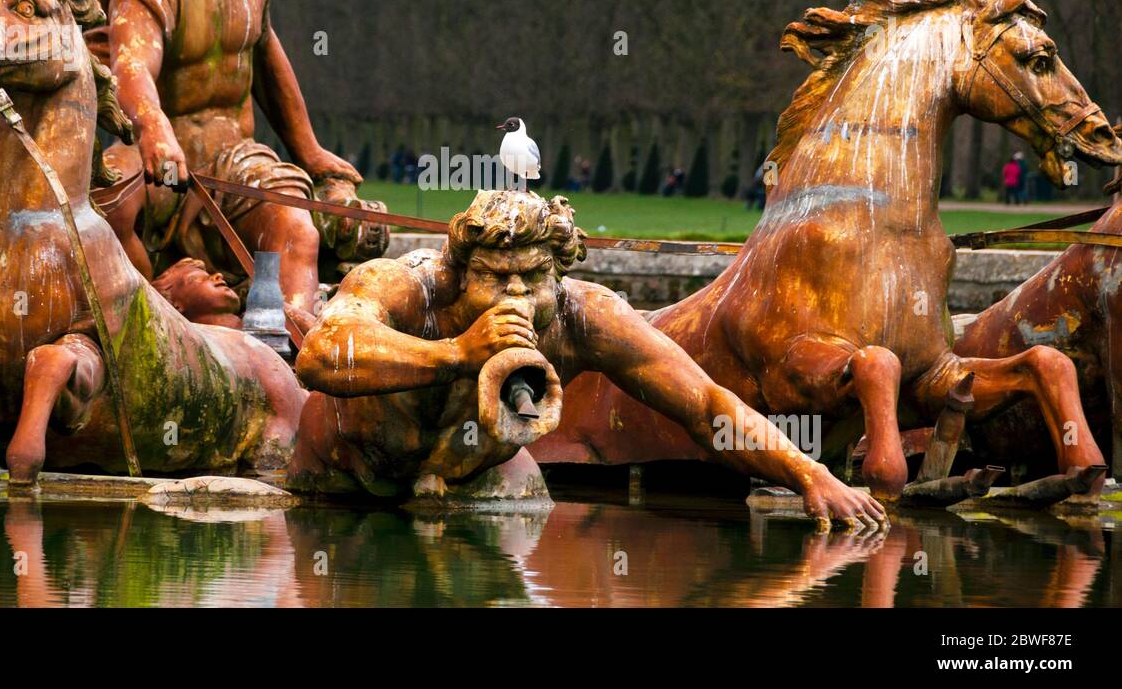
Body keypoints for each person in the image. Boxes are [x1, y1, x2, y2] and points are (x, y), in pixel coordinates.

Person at [290, 189, 886, 528]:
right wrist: (457, 352)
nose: (517, 296)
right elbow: (319, 356)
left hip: (465, 491)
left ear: (558, 274)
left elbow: (707, 406)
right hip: (338, 485)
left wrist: (812, 476)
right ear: (458, 272)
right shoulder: (404, 286)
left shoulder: (582, 317)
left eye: (533, 278)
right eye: (496, 279)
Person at [89, 0, 389, 314]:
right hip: (159, 146)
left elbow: (266, 60)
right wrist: (154, 129)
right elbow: (133, 64)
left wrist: (309, 152)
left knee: (295, 229)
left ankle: (289, 344)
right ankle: (149, 317)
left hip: (235, 152)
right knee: (110, 207)